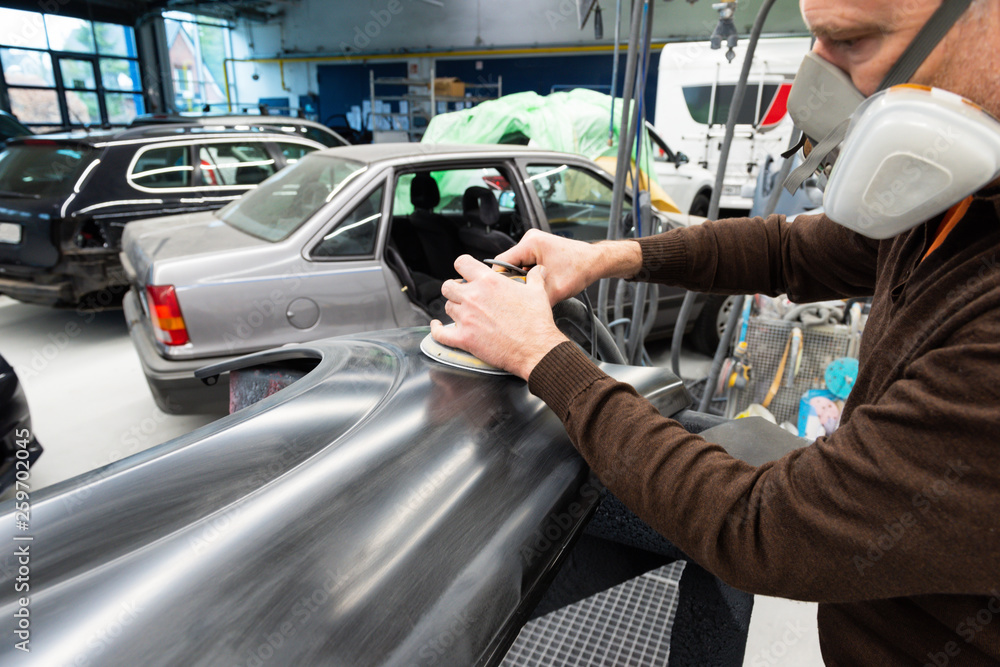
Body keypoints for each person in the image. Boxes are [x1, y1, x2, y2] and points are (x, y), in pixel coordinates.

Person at [430, 0, 1000, 663]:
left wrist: (540, 353)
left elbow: (760, 529)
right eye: (814, 39)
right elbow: (793, 250)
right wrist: (608, 256)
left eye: (851, 41)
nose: (814, 86)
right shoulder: (962, 201)